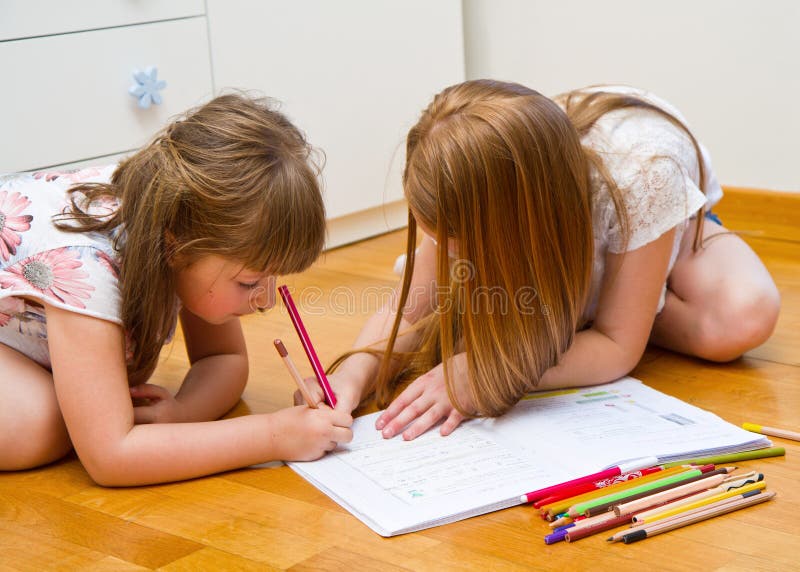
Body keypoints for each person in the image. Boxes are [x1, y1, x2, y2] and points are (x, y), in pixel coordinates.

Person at [309, 80, 780, 442]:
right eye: (439, 239)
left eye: (460, 242)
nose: (448, 253)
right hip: (550, 222)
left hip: (658, 214)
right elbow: (412, 305)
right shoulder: (462, 176)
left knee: (740, 317)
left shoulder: (645, 175)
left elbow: (618, 346)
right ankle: (616, 297)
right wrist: (353, 373)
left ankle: (628, 294)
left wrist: (491, 372)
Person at [0, 94, 353, 484]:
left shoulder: (182, 222)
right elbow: (111, 457)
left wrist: (183, 413)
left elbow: (223, 358)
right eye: (250, 282)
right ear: (176, 243)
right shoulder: (84, 268)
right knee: (39, 422)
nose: (266, 300)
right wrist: (273, 437)